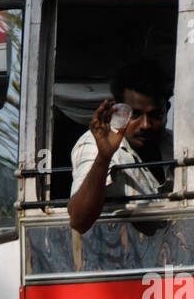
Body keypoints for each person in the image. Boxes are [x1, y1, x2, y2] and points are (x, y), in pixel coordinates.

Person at [67, 59, 173, 235]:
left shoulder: (173, 144)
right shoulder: (95, 143)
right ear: (118, 109)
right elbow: (79, 221)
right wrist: (104, 157)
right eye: (135, 114)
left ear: (166, 109)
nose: (145, 125)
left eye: (155, 115)